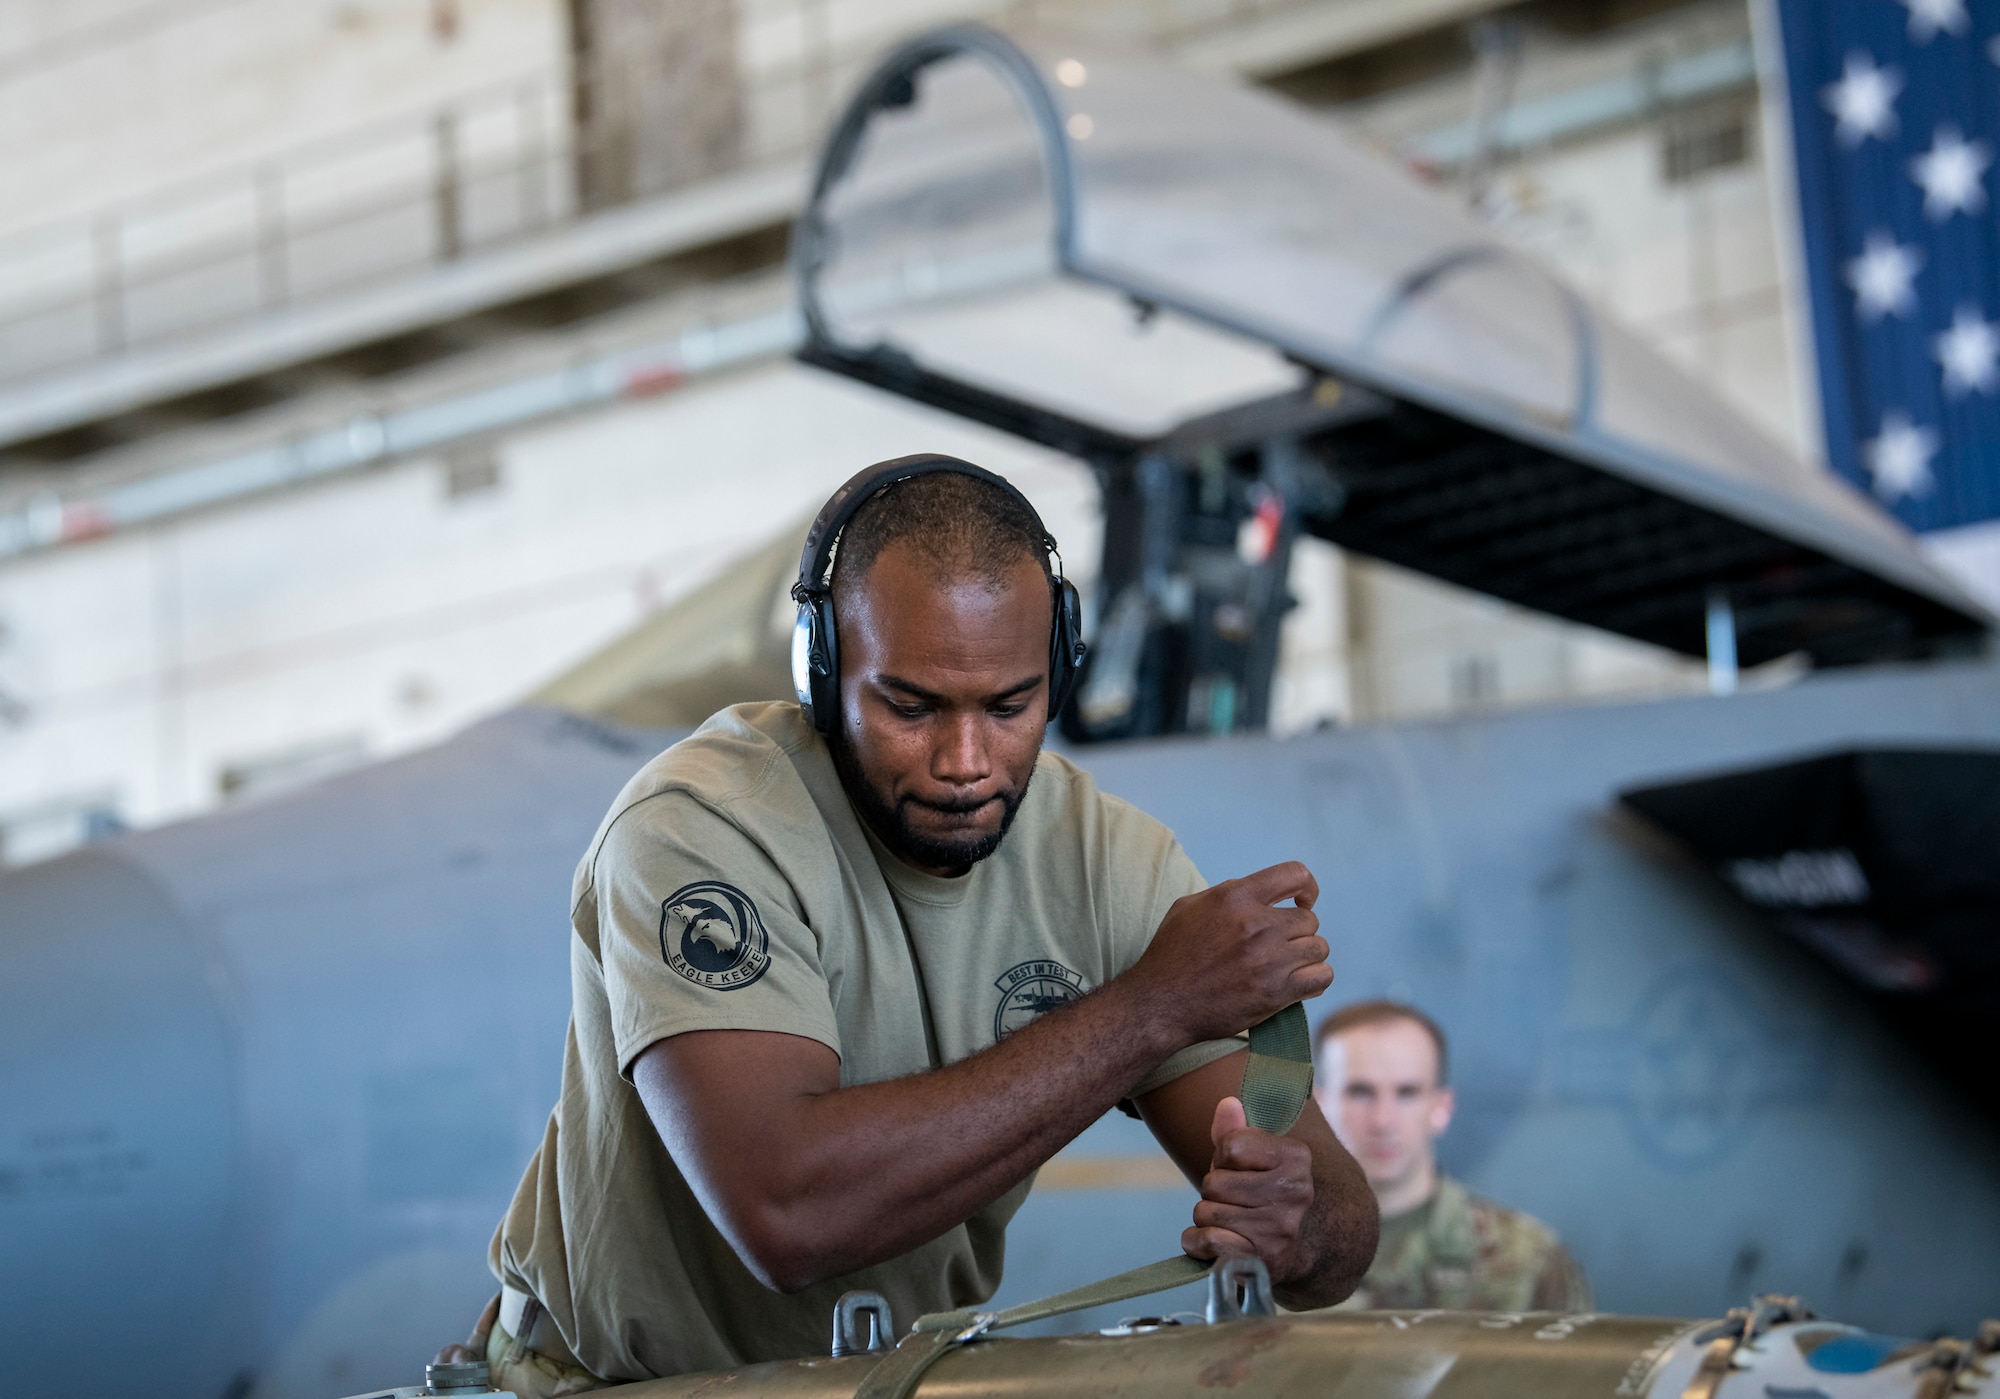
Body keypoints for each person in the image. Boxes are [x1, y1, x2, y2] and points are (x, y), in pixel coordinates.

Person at [459, 456, 1379, 1395]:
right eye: (910, 705)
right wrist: (1150, 1010)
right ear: (822, 673)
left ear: (1057, 674)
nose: (966, 761)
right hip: (612, 1384)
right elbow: (787, 1211)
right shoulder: (702, 825)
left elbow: (1341, 1235)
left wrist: (1293, 1225)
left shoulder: (1109, 862)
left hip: (886, 1380)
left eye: (1011, 705)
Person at [1314, 1000, 1591, 1312]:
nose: (1383, 1121)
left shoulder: (1528, 1262)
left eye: (1407, 1093)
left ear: (1441, 1108)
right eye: (1360, 1092)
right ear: (1320, 1105)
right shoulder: (1280, 1253)